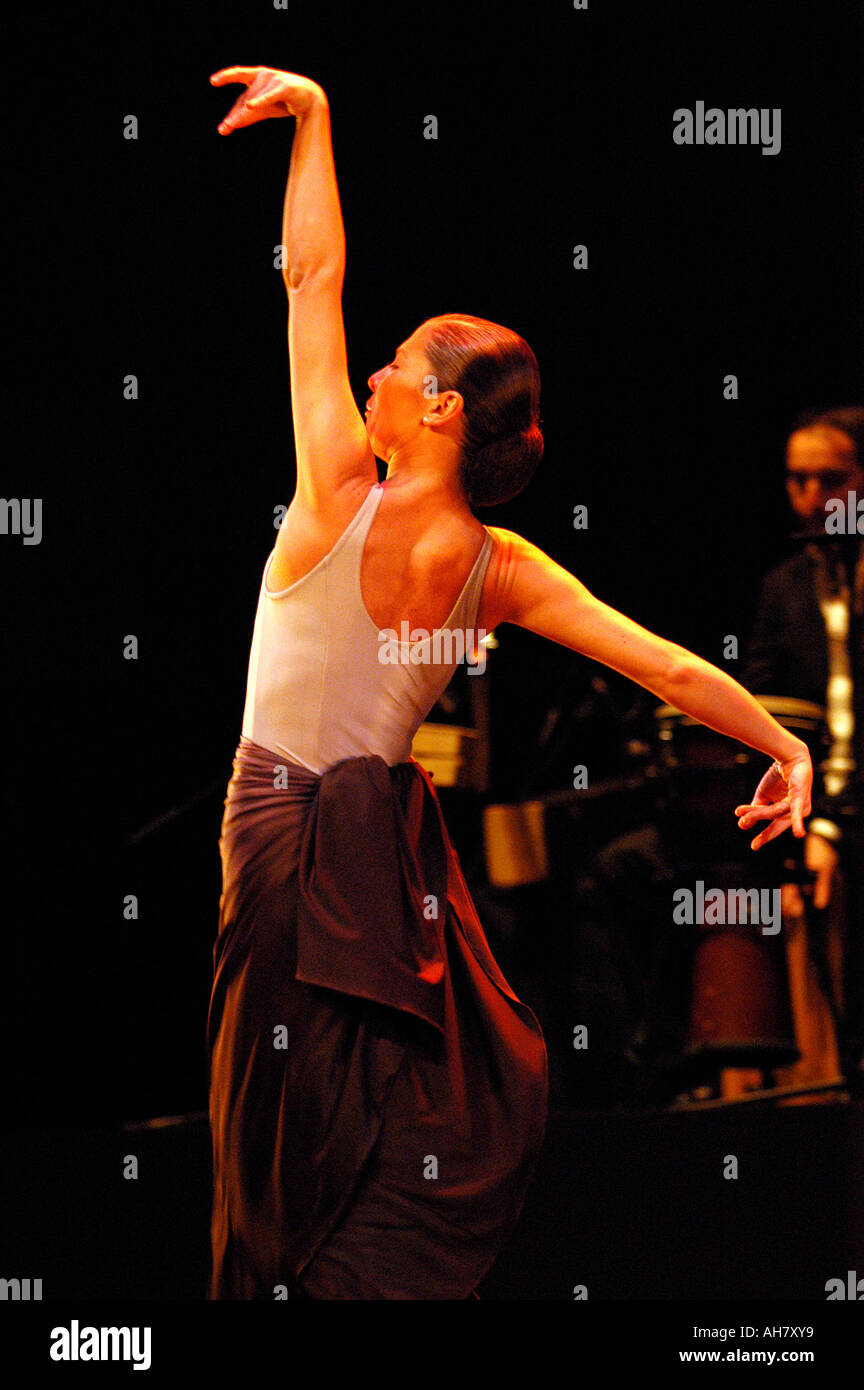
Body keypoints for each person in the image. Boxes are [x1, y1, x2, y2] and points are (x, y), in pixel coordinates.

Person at [205, 64, 813, 1300]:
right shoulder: (500, 567)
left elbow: (310, 278)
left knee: (277, 1124)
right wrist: (785, 748)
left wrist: (315, 118)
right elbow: (666, 663)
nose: (371, 377)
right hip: (371, 867)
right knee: (365, 1096)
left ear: (435, 409)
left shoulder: (335, 487)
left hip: (283, 838)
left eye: (394, 366)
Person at [741, 408, 864, 1087]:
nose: (812, 497)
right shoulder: (784, 586)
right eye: (798, 480)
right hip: (810, 798)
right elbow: (762, 709)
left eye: (832, 480)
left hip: (850, 807)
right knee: (629, 868)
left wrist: (831, 826)